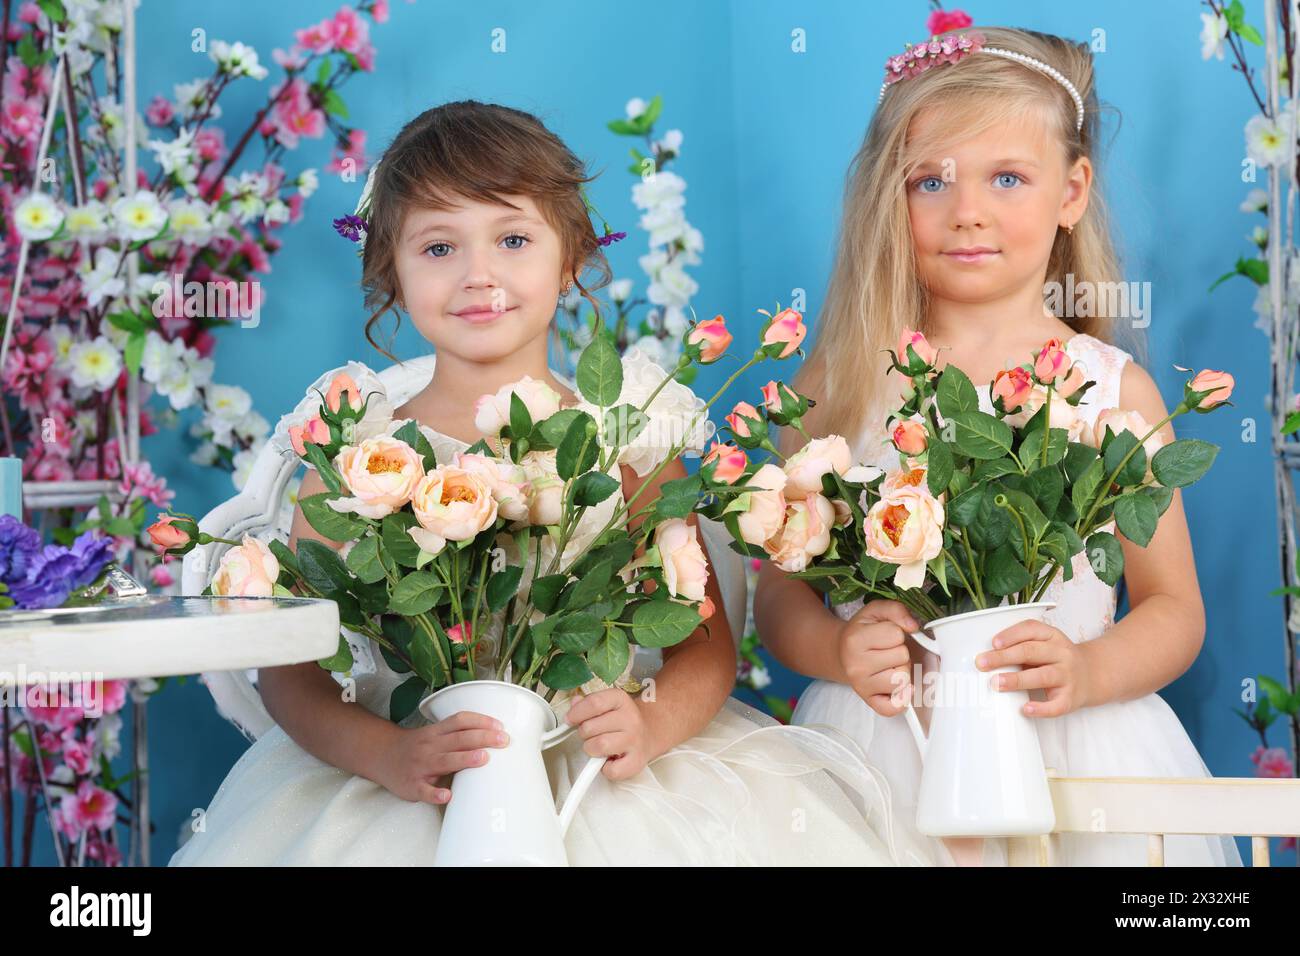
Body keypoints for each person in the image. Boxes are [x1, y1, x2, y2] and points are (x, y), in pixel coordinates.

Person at [171, 99, 942, 866]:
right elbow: (290, 670)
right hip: (413, 772)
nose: (480, 275)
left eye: (513, 239)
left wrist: (652, 724)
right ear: (392, 274)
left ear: (570, 259)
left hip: (602, 774)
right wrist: (387, 757)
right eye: (438, 248)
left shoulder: (627, 433)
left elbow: (704, 644)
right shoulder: (355, 447)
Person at [754, 27, 1242, 866]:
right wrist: (834, 649)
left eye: (1007, 178)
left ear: (1072, 191)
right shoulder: (834, 386)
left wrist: (1087, 672)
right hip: (884, 750)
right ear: (886, 196)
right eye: (930, 180)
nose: (967, 210)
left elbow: (1173, 609)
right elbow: (779, 598)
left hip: (1076, 747)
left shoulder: (1111, 389)